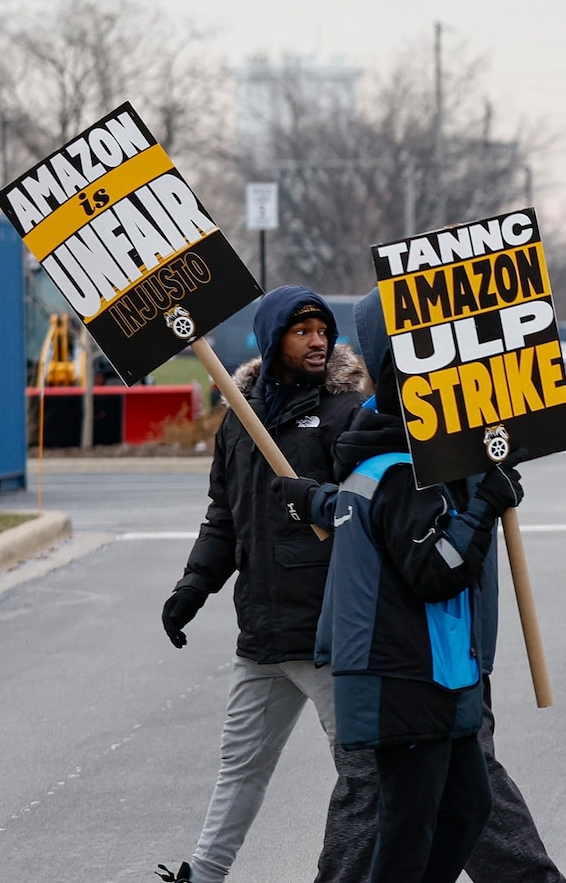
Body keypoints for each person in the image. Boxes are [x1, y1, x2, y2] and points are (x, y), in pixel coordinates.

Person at [157, 286, 376, 883]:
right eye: (302, 331)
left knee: (364, 770)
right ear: (273, 336)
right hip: (261, 631)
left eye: (323, 331)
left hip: (327, 629)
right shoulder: (239, 417)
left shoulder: (343, 414)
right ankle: (203, 874)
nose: (318, 341)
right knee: (240, 764)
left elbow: (369, 509)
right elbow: (224, 517)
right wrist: (193, 588)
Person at [315, 348, 523, 883]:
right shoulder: (402, 473)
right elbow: (437, 571)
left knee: (466, 809)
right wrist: (486, 505)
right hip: (402, 674)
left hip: (436, 671)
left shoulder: (410, 466)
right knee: (408, 833)